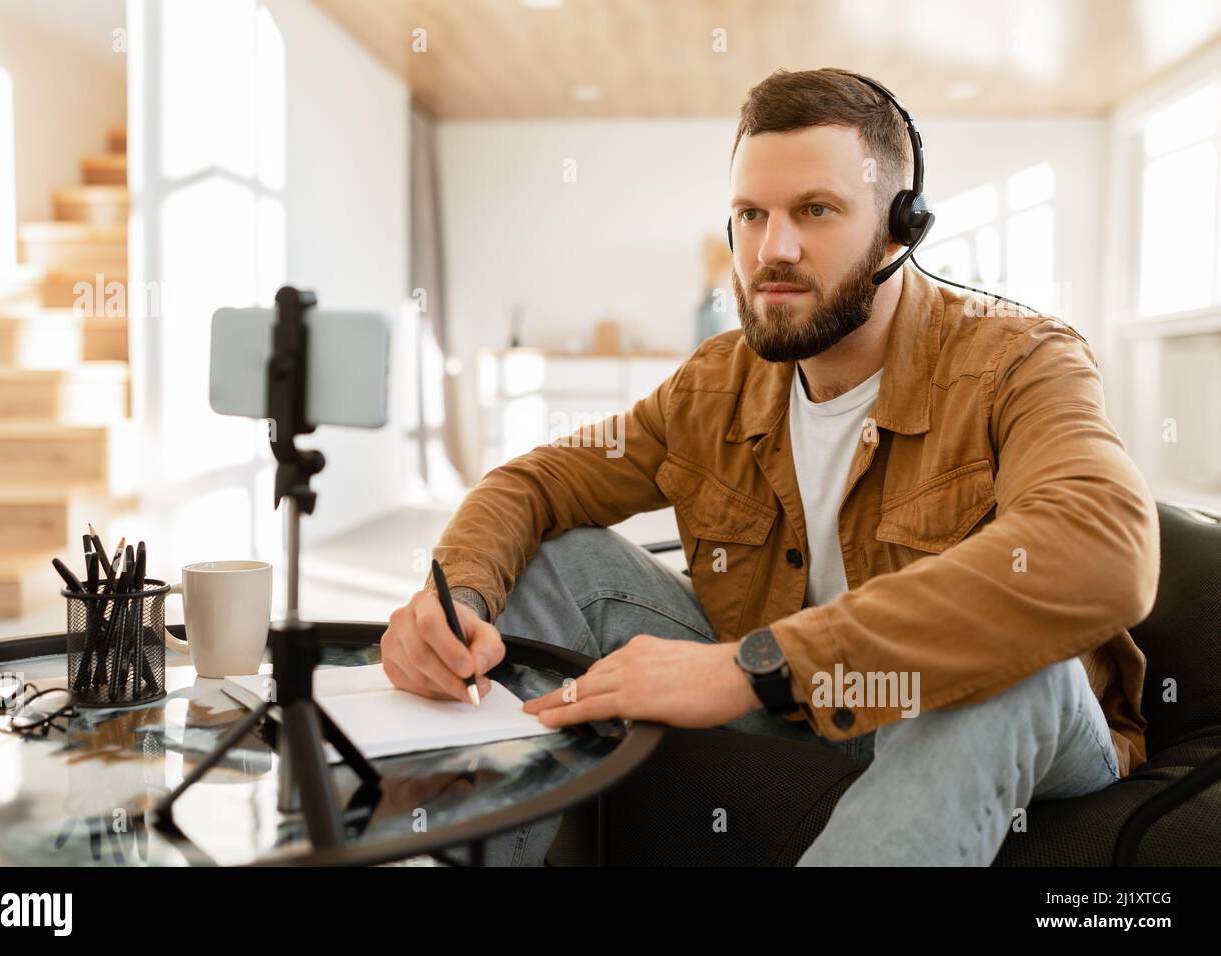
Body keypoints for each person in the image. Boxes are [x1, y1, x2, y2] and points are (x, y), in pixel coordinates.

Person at [379, 67, 1159, 866]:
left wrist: (765, 666)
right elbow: (534, 482)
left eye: (814, 211)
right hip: (796, 707)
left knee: (1015, 669)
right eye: (751, 215)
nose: (771, 250)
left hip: (974, 707)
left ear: (902, 228)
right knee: (555, 558)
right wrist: (456, 601)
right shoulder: (716, 383)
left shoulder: (1020, 359)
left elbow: (1104, 549)